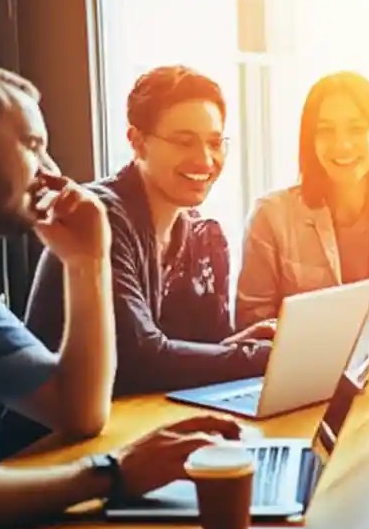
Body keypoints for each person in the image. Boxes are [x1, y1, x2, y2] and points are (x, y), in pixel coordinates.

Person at [0, 57, 239, 529]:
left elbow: (79, 410)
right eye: (32, 146)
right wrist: (109, 475)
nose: (50, 171)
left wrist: (87, 261)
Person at [24, 66, 272, 396]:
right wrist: (262, 358)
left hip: (142, 419)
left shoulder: (204, 236)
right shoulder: (100, 218)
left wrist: (249, 343)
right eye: (184, 142)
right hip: (57, 436)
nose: (205, 160)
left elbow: (207, 352)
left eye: (215, 142)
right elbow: (141, 358)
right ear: (138, 142)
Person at [237, 71, 369, 344]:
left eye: (356, 128)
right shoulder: (271, 216)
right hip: (303, 377)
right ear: (310, 140)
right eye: (326, 130)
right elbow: (252, 327)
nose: (342, 145)